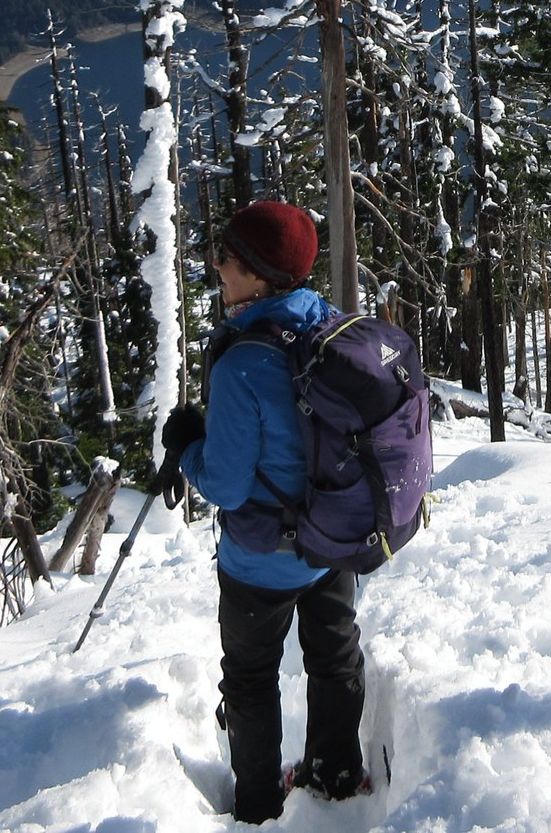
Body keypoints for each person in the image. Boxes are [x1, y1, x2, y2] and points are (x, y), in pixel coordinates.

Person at [159, 200, 369, 825]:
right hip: (331, 542)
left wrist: (187, 446)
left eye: (226, 257)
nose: (215, 266)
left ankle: (256, 805)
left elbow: (224, 484)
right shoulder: (327, 323)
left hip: (261, 560)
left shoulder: (244, 362)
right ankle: (336, 774)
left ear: (260, 274)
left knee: (250, 679)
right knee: (334, 657)